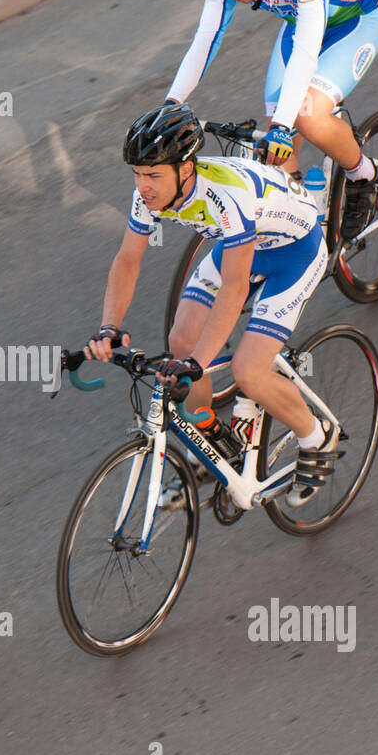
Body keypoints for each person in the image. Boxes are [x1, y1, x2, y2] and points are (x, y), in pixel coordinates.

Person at [86, 102, 341, 506]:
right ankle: (206, 440)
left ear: (185, 169)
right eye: (137, 174)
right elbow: (128, 259)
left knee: (247, 370)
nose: (143, 186)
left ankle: (316, 438)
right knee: (182, 340)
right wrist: (108, 326)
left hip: (295, 253)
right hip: (242, 246)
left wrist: (198, 364)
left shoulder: (226, 196)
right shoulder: (148, 195)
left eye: (152, 175)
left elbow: (235, 288)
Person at [168, 0, 378, 241]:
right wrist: (171, 104)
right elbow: (205, 40)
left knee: (306, 116)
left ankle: (364, 175)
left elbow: (306, 51)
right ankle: (301, 227)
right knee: (274, 157)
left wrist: (286, 126)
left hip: (356, 20)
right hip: (302, 23)